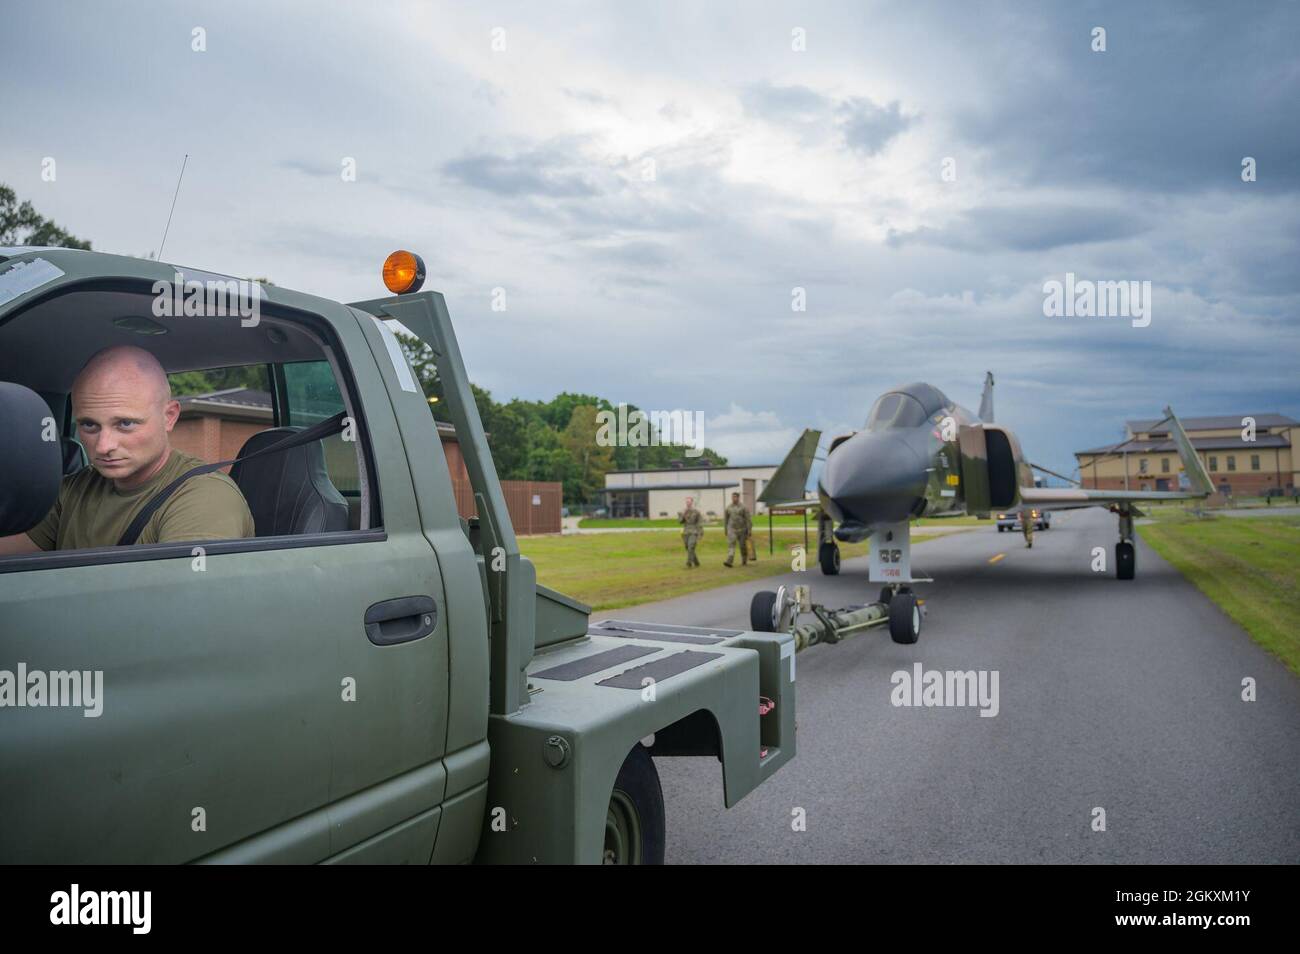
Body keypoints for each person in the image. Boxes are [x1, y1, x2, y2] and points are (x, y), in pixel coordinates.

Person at [0, 345, 254, 554]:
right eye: (89, 425)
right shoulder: (72, 490)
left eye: (125, 423)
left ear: (169, 417)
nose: (103, 446)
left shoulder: (204, 497)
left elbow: (181, 606)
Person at [722, 491, 752, 567]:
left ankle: (744, 560)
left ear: (738, 497)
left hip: (742, 530)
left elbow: (748, 519)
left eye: (735, 497)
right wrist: (726, 529)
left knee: (742, 546)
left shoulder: (743, 507)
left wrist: (749, 530)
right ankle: (729, 561)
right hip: (732, 529)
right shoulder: (728, 507)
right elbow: (726, 519)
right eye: (732, 497)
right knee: (731, 545)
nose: (733, 498)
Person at [677, 496, 703, 568]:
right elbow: (680, 522)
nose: (688, 503)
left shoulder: (696, 512)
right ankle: (696, 562)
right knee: (687, 548)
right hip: (685, 532)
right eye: (687, 502)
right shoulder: (682, 511)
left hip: (694, 531)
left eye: (689, 502)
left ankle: (689, 563)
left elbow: (699, 523)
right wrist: (683, 515)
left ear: (692, 502)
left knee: (691, 546)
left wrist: (700, 533)